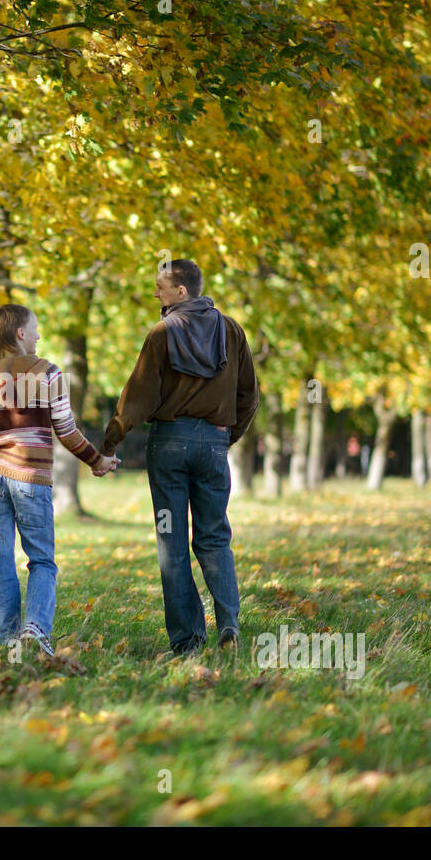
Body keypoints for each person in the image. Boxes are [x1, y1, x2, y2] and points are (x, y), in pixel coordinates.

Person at [0, 304, 120, 657]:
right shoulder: (49, 373)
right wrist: (96, 461)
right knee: (41, 559)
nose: (38, 336)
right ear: (21, 333)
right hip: (31, 477)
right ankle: (35, 630)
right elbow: (66, 431)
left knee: (1, 559)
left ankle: (7, 640)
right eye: (35, 329)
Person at [101, 259, 259, 656]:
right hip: (213, 445)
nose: (156, 294)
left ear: (181, 292)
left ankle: (187, 642)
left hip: (169, 445)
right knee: (214, 537)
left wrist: (108, 444)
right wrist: (224, 438)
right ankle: (229, 624)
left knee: (171, 542)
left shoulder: (161, 334)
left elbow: (137, 398)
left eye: (160, 287)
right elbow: (248, 395)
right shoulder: (232, 330)